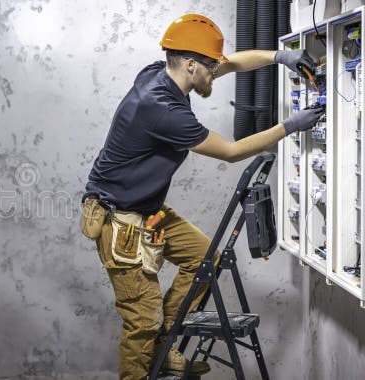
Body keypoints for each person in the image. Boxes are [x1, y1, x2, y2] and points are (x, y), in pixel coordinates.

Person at [80, 13, 324, 380]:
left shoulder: (162, 73)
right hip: (120, 221)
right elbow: (231, 151)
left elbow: (233, 63)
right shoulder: (162, 110)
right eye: (211, 65)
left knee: (203, 260)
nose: (217, 70)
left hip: (145, 209)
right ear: (191, 65)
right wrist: (290, 126)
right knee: (143, 317)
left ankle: (163, 348)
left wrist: (280, 56)